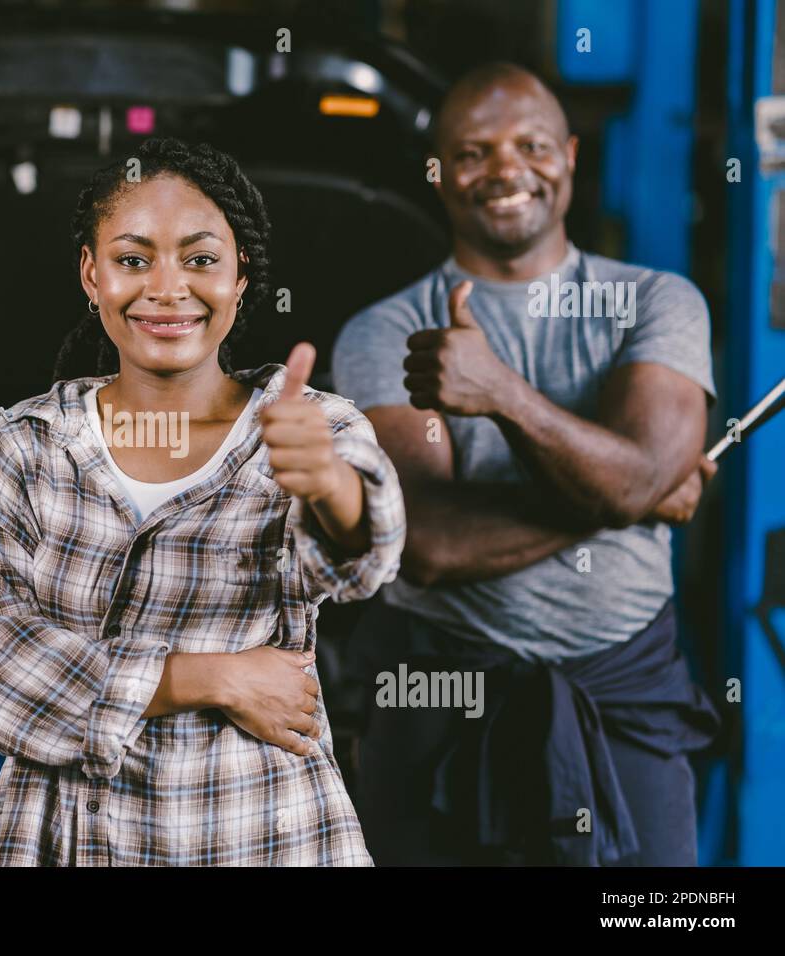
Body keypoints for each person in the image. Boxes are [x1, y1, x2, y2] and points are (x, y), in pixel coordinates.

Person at [0, 137, 406, 866]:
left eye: (200, 260)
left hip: (258, 834)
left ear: (240, 276)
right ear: (90, 275)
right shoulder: (27, 445)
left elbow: (364, 556)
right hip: (63, 839)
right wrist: (215, 678)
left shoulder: (304, 426)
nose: (168, 288)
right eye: (134, 260)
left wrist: (324, 479)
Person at [333, 62, 721, 866]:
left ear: (570, 157)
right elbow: (426, 545)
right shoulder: (384, 331)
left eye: (532, 145)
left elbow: (640, 474)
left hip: (623, 694)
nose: (507, 170)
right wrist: (633, 493)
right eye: (474, 152)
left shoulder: (658, 301)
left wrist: (502, 394)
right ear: (438, 172)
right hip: (440, 689)